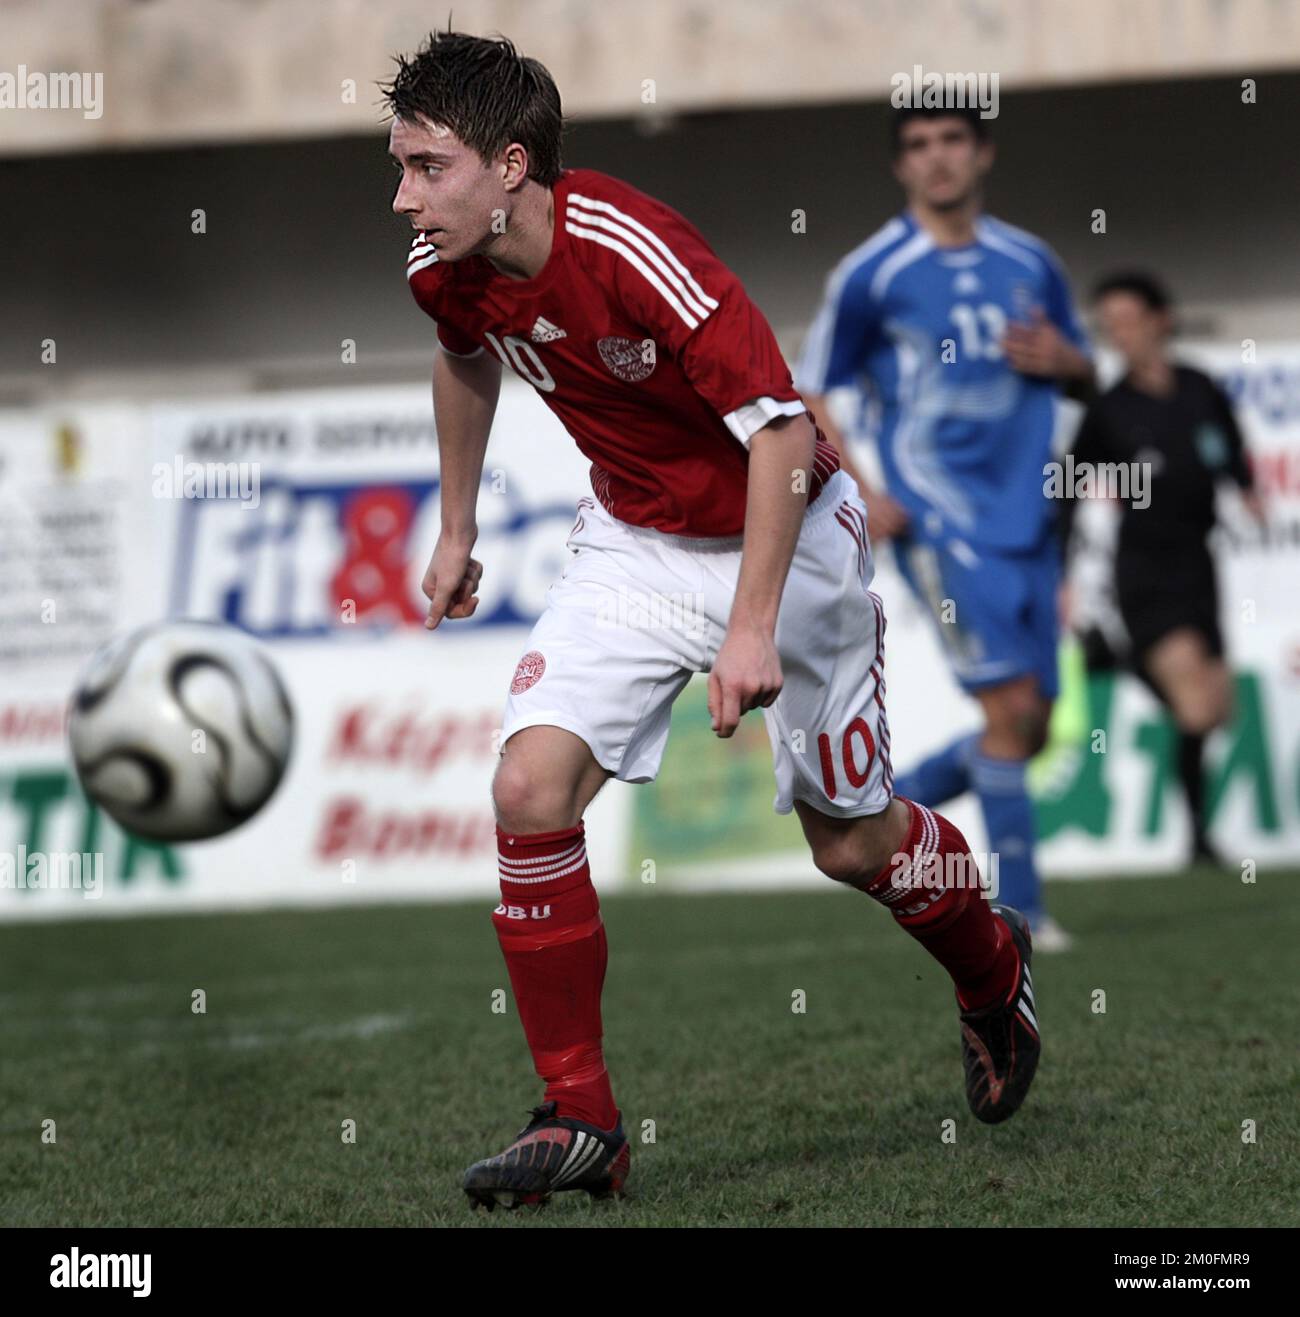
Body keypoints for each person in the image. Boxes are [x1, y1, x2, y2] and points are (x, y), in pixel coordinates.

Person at [385, 33, 1040, 1212]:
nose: (404, 195)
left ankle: (992, 972)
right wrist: (454, 525)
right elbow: (462, 357)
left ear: (512, 167)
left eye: (428, 167)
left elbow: (783, 436)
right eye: (401, 165)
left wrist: (750, 628)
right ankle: (580, 1116)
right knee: (528, 793)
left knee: (848, 842)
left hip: (782, 532)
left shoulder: (631, 247)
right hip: (634, 543)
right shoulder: (446, 259)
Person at [796, 106, 1094, 953]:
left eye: (952, 141)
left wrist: (1066, 361)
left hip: (1031, 517)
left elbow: (1083, 366)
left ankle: (876, 817)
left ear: (983, 152)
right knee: (1008, 708)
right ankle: (1023, 909)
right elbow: (812, 387)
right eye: (919, 147)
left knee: (1028, 723)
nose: (937, 159)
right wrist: (860, 483)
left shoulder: (1029, 260)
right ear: (901, 168)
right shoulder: (874, 273)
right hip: (940, 518)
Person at [1061, 272, 1263, 866]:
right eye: (1108, 325)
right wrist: (1062, 573)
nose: (1118, 334)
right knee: (1195, 706)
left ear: (1161, 319)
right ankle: (1199, 841)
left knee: (1217, 710)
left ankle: (1120, 663)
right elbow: (1069, 489)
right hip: (1145, 570)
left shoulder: (1199, 386)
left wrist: (1246, 488)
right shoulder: (1111, 409)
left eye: (1127, 319)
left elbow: (1229, 446)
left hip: (1200, 564)